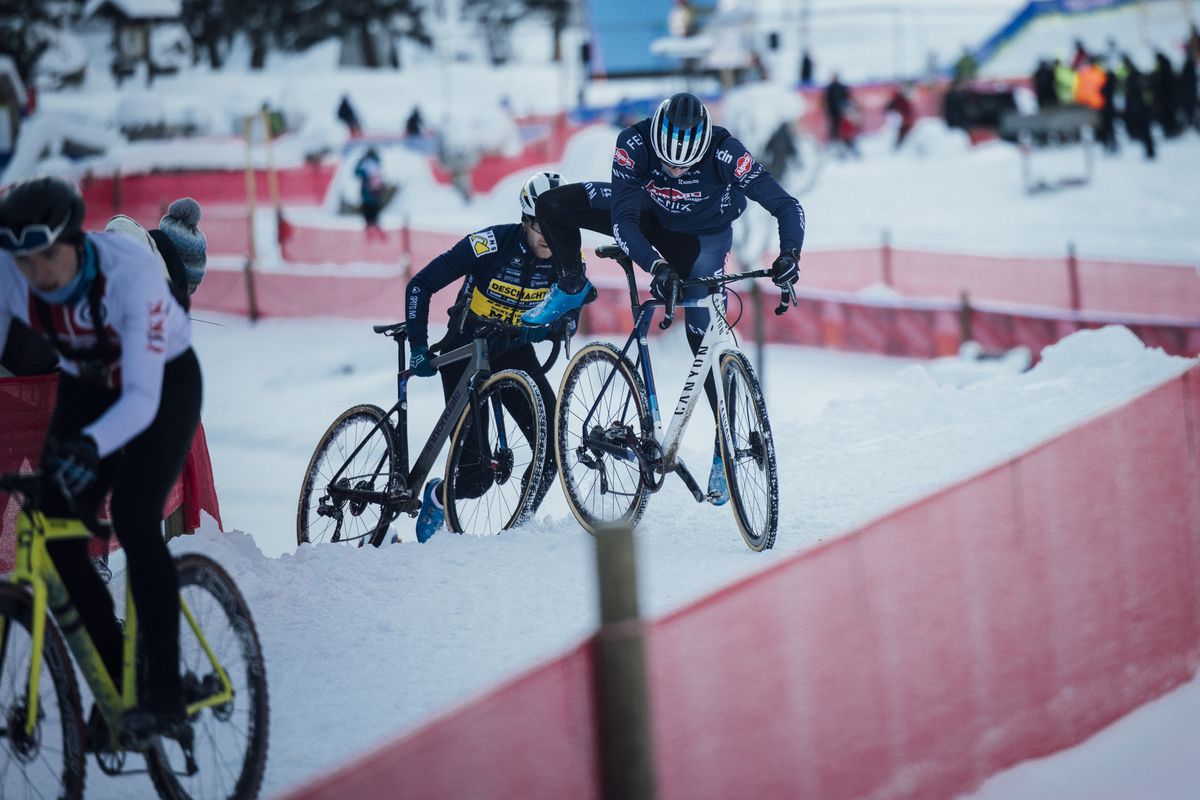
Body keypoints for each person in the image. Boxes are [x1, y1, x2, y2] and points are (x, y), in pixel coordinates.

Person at [521, 92, 804, 503]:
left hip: (701, 240)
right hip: (645, 218)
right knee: (552, 205)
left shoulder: (727, 152)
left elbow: (787, 205)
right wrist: (654, 266)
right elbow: (623, 221)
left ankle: (725, 447)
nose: (673, 170)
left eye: (683, 165)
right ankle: (570, 285)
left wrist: (790, 254)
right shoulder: (633, 144)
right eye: (667, 162)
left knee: (702, 338)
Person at [0, 176, 202, 743]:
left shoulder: (129, 275)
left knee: (137, 519)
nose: (34, 273)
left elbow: (140, 398)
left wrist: (92, 446)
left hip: (162, 384)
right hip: (86, 381)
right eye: (21, 260)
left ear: (74, 243)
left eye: (45, 257)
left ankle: (164, 691)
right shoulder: (12, 274)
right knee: (58, 535)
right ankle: (121, 680)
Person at [402, 171, 575, 542]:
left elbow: (574, 301)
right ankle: (437, 495)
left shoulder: (566, 254)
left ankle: (520, 527)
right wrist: (419, 344)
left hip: (514, 353)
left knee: (553, 447)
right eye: (540, 226)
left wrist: (561, 324)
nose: (549, 235)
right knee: (476, 479)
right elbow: (421, 284)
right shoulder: (490, 244)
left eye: (557, 225)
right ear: (524, 220)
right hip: (466, 352)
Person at [353, 147, 387, 239]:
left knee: (369, 219)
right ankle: (375, 237)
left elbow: (356, 173)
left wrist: (360, 161)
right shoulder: (377, 165)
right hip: (375, 196)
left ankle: (370, 238)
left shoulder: (366, 168)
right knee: (374, 219)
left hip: (368, 197)